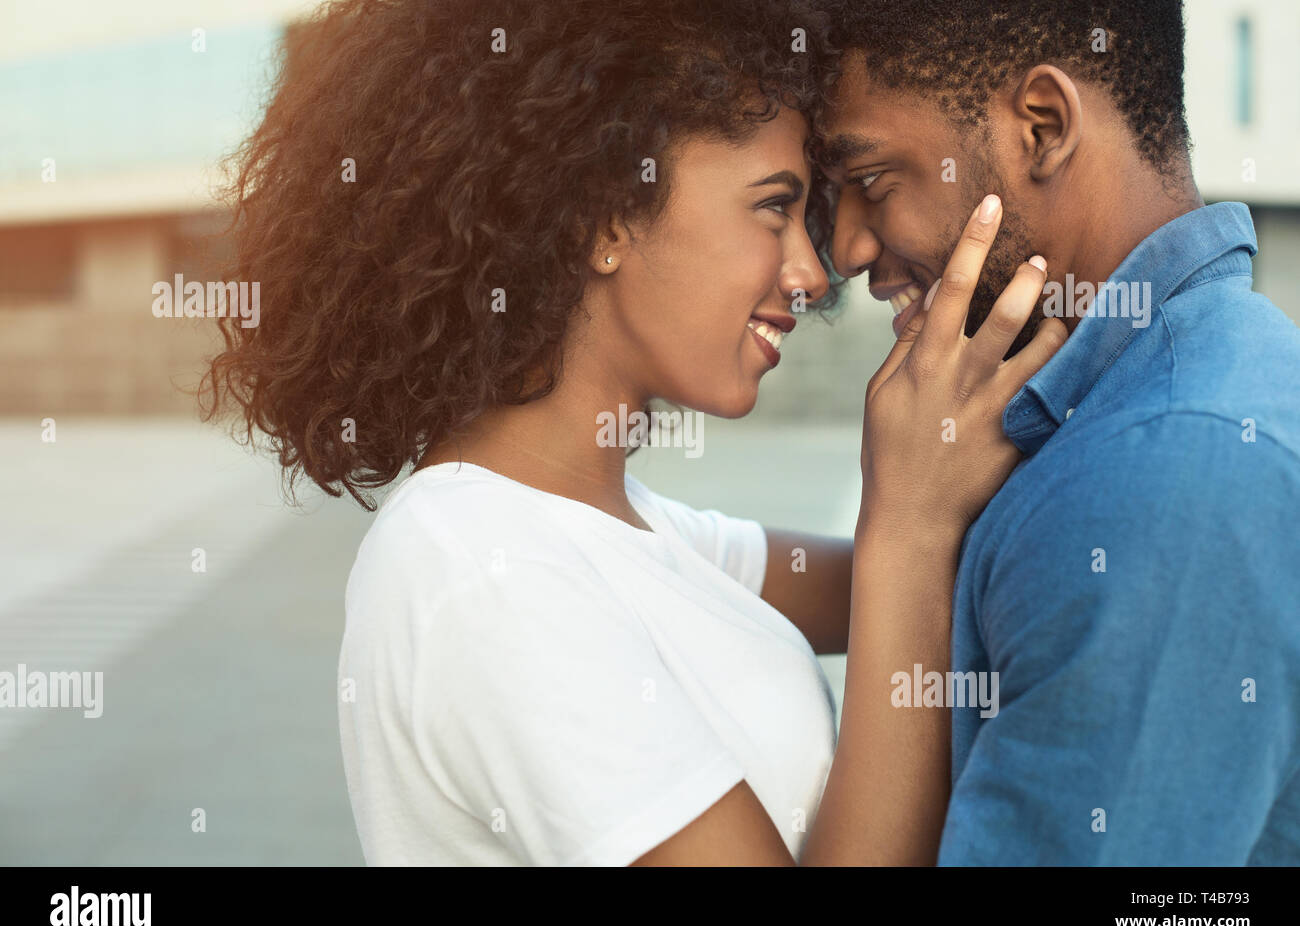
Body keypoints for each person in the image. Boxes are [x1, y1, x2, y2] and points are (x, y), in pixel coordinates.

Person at [198, 0, 1064, 865]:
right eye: (773, 208)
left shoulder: (618, 526)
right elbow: (903, 567)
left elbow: (894, 586)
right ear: (606, 217)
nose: (809, 273)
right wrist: (908, 522)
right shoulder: (478, 569)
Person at [812, 0, 1300, 864]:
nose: (846, 249)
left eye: (874, 180)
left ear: (1041, 126)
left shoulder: (1167, 476)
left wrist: (909, 528)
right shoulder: (1113, 406)